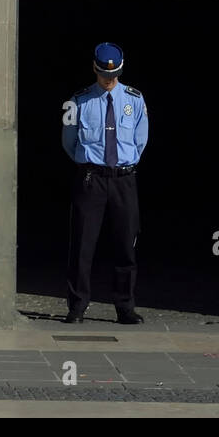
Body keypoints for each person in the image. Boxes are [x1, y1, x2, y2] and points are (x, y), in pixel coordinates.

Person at [60, 42, 149, 324]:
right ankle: (77, 306)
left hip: (123, 179)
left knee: (126, 244)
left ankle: (125, 307)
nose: (108, 79)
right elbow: (69, 141)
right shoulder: (77, 101)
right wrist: (88, 162)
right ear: (94, 69)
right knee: (83, 245)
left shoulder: (134, 99)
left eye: (113, 74)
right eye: (103, 74)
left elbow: (140, 139)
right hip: (92, 179)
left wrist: (125, 162)